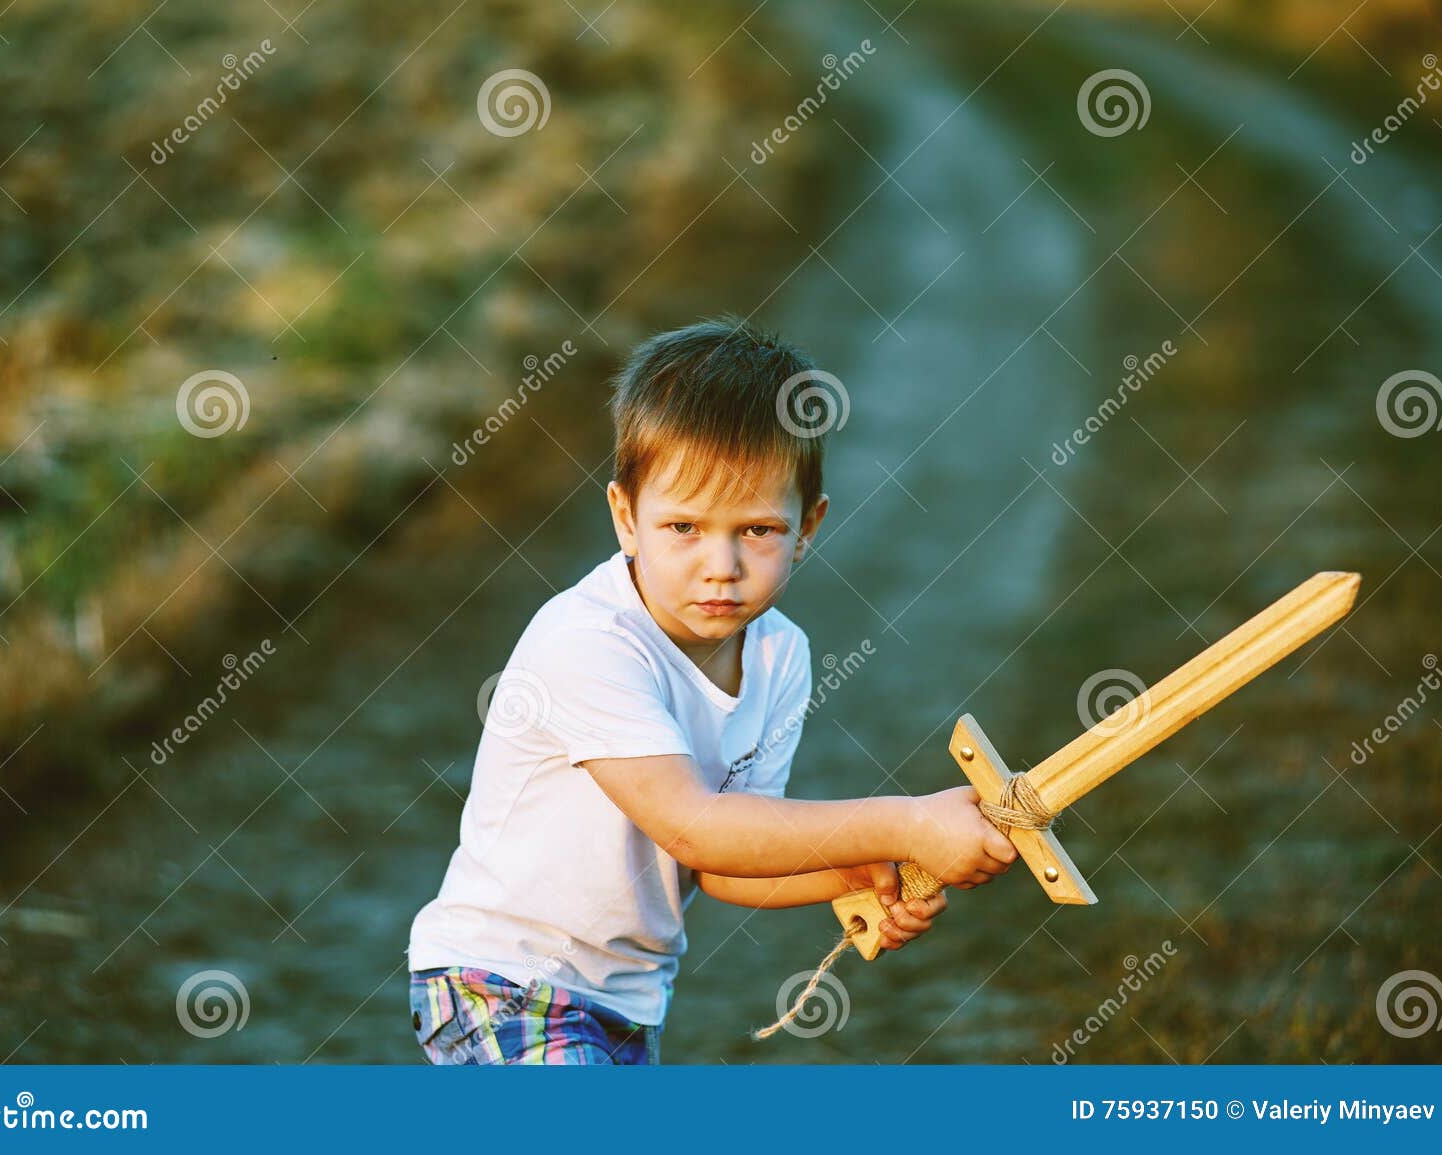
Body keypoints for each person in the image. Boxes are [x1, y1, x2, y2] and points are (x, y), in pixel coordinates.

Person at [406, 316, 1017, 1064]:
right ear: (626, 519)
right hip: (501, 980)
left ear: (807, 528)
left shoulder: (779, 654)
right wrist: (905, 825)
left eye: (757, 529)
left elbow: (727, 863)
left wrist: (858, 870)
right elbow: (696, 826)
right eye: (684, 526)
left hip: (627, 999)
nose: (720, 564)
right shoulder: (589, 640)